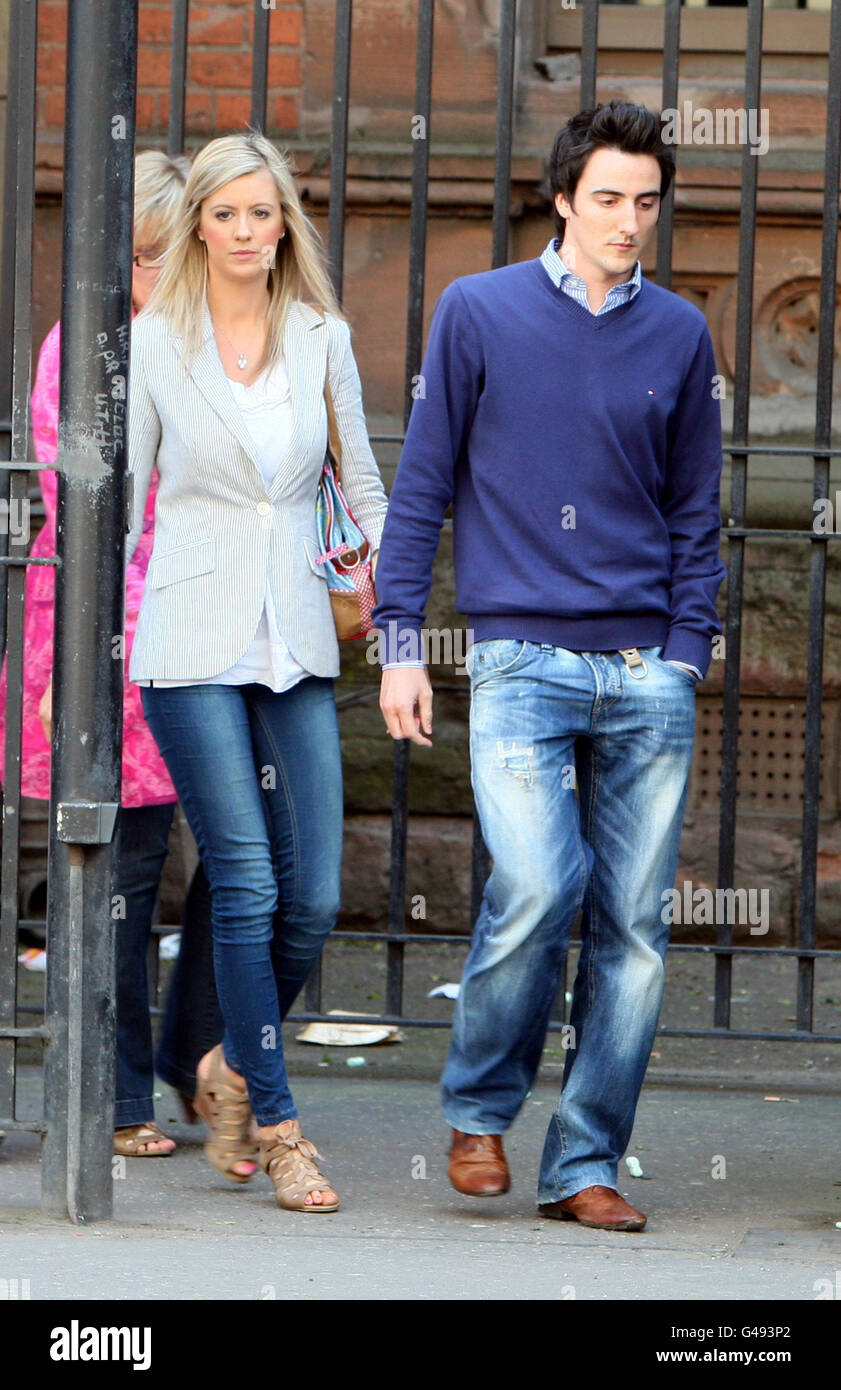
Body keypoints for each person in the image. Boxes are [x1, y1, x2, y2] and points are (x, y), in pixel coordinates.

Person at [374, 101, 726, 1231]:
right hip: (519, 655)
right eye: (610, 198)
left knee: (632, 926)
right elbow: (423, 481)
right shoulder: (476, 313)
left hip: (642, 670)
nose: (629, 221)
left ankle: (583, 1160)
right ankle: (479, 1110)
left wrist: (681, 653)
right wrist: (398, 641)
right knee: (537, 884)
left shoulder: (679, 333)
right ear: (563, 199)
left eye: (646, 202)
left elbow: (697, 510)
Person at [127, 131, 388, 1211]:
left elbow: (361, 482)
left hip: (296, 642)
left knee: (313, 894)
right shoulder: (152, 341)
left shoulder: (321, 335)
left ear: (286, 225)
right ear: (198, 225)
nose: (244, 232)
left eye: (262, 214)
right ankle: (277, 1122)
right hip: (189, 641)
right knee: (243, 877)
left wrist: (396, 613)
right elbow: (123, 497)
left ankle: (231, 1059)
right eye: (225, 214)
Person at [0, 150, 224, 1158]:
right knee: (125, 872)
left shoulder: (222, 342)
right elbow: (79, 522)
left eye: (169, 255)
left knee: (254, 859)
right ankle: (122, 1093)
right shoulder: (82, 350)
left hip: (220, 636)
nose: (154, 278)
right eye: (138, 257)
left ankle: (194, 1056)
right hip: (117, 636)